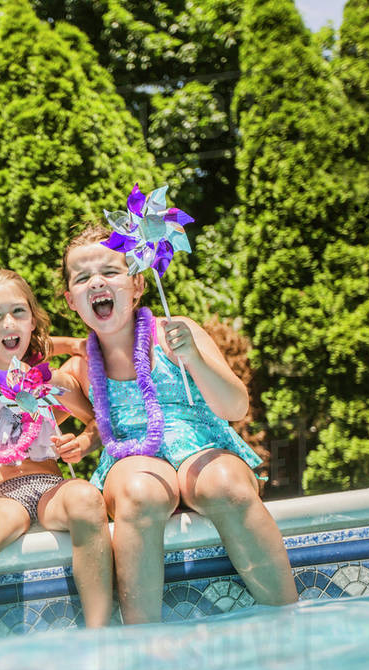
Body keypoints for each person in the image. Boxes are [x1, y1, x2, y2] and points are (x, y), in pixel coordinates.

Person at [59, 226, 297, 624]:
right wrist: (74, 439)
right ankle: (144, 644)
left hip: (200, 445)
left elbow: (235, 406)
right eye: (82, 278)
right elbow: (39, 403)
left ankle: (288, 620)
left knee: (226, 484)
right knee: (139, 493)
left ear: (138, 283)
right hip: (134, 457)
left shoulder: (174, 333)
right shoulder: (81, 368)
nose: (96, 281)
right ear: (71, 301)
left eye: (110, 272)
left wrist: (196, 360)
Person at [0, 267, 114, 637]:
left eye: (18, 312)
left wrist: (85, 441)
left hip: (49, 489)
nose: (9, 323)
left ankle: (103, 633)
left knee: (88, 499)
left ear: (32, 320)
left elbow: (100, 422)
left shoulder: (51, 382)